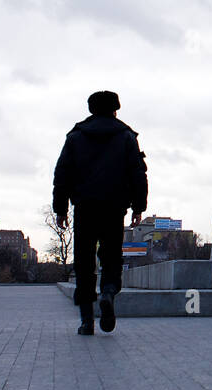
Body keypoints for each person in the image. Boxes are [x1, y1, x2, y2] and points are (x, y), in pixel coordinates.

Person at [52, 91, 148, 336]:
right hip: (114, 207)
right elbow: (138, 173)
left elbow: (62, 174)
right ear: (116, 109)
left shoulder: (75, 137)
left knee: (84, 263)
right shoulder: (126, 136)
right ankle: (107, 293)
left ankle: (86, 321)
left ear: (91, 109)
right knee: (111, 258)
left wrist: (60, 209)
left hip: (84, 207)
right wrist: (139, 207)